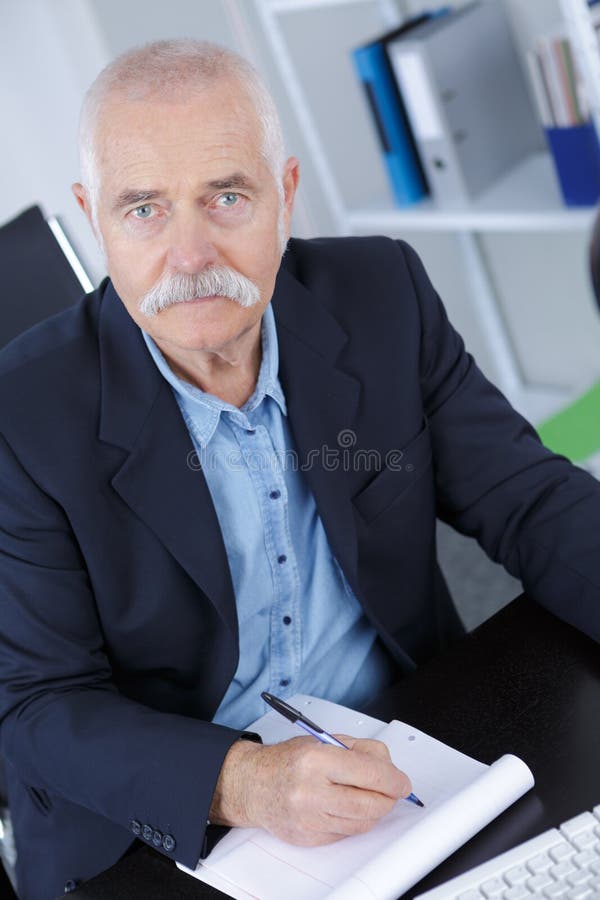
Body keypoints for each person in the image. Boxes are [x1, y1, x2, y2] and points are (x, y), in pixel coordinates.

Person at [0, 39, 599, 900]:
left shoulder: (383, 294)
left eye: (226, 197)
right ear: (95, 217)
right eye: (145, 210)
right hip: (160, 832)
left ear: (284, 194)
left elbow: (529, 497)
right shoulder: (21, 418)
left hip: (409, 756)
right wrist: (240, 781)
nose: (190, 256)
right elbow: (36, 704)